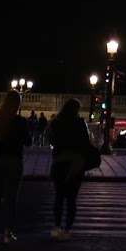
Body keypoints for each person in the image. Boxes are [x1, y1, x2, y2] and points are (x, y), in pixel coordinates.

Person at [47, 98, 98, 240]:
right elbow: (85, 143)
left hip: (59, 163)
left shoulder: (56, 123)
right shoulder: (80, 123)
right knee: (71, 199)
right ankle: (68, 229)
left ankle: (56, 226)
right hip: (75, 163)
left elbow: (52, 141)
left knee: (59, 197)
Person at [0, 89, 30, 244]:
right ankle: (8, 233)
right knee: (11, 198)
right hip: (14, 160)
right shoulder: (20, 122)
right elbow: (28, 141)